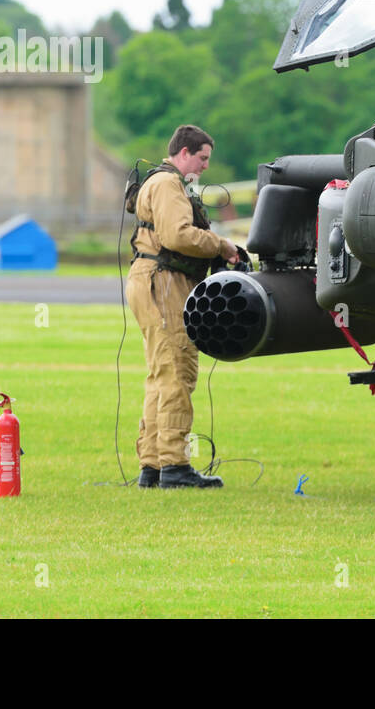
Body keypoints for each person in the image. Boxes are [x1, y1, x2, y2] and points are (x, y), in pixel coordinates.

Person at [127, 124, 239, 489]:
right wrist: (221, 245)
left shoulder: (161, 183)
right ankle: (174, 466)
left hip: (152, 279)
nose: (206, 166)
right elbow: (177, 235)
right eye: (203, 158)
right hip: (164, 282)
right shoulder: (168, 184)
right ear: (185, 153)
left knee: (160, 375)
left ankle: (154, 465)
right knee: (177, 369)